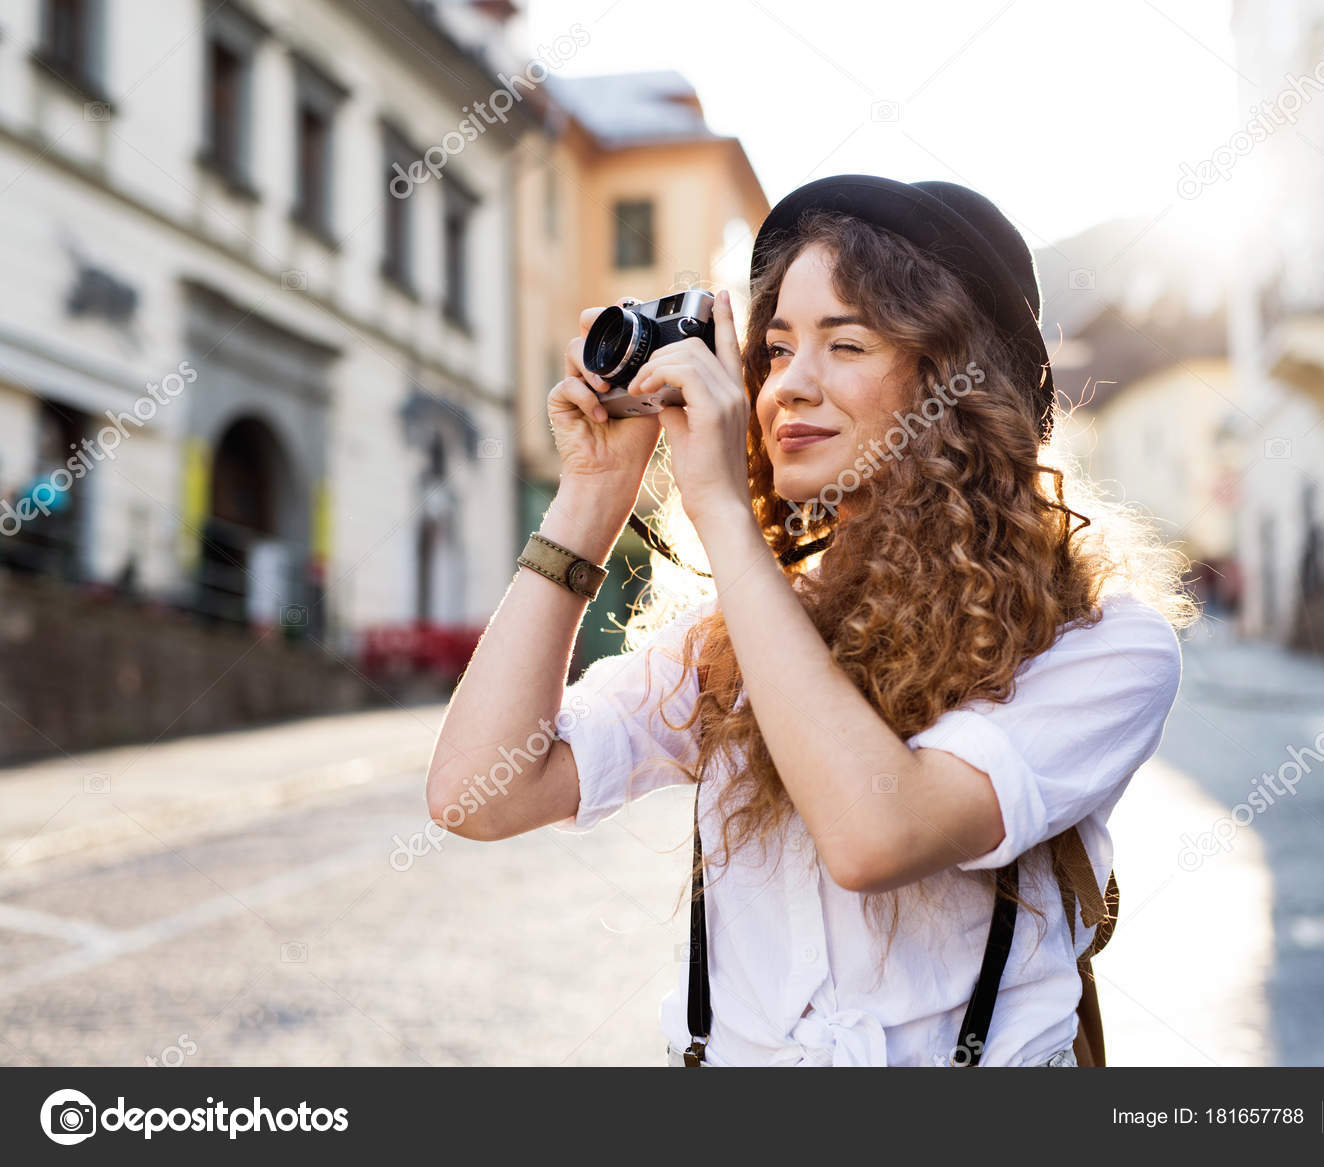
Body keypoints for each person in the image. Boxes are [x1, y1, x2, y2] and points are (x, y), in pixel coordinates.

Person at [424, 175, 1197, 1067]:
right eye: (777, 349)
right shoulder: (735, 633)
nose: (790, 385)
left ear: (955, 381)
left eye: (847, 343)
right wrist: (590, 498)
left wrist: (721, 508)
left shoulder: (1103, 644)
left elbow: (878, 835)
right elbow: (475, 793)